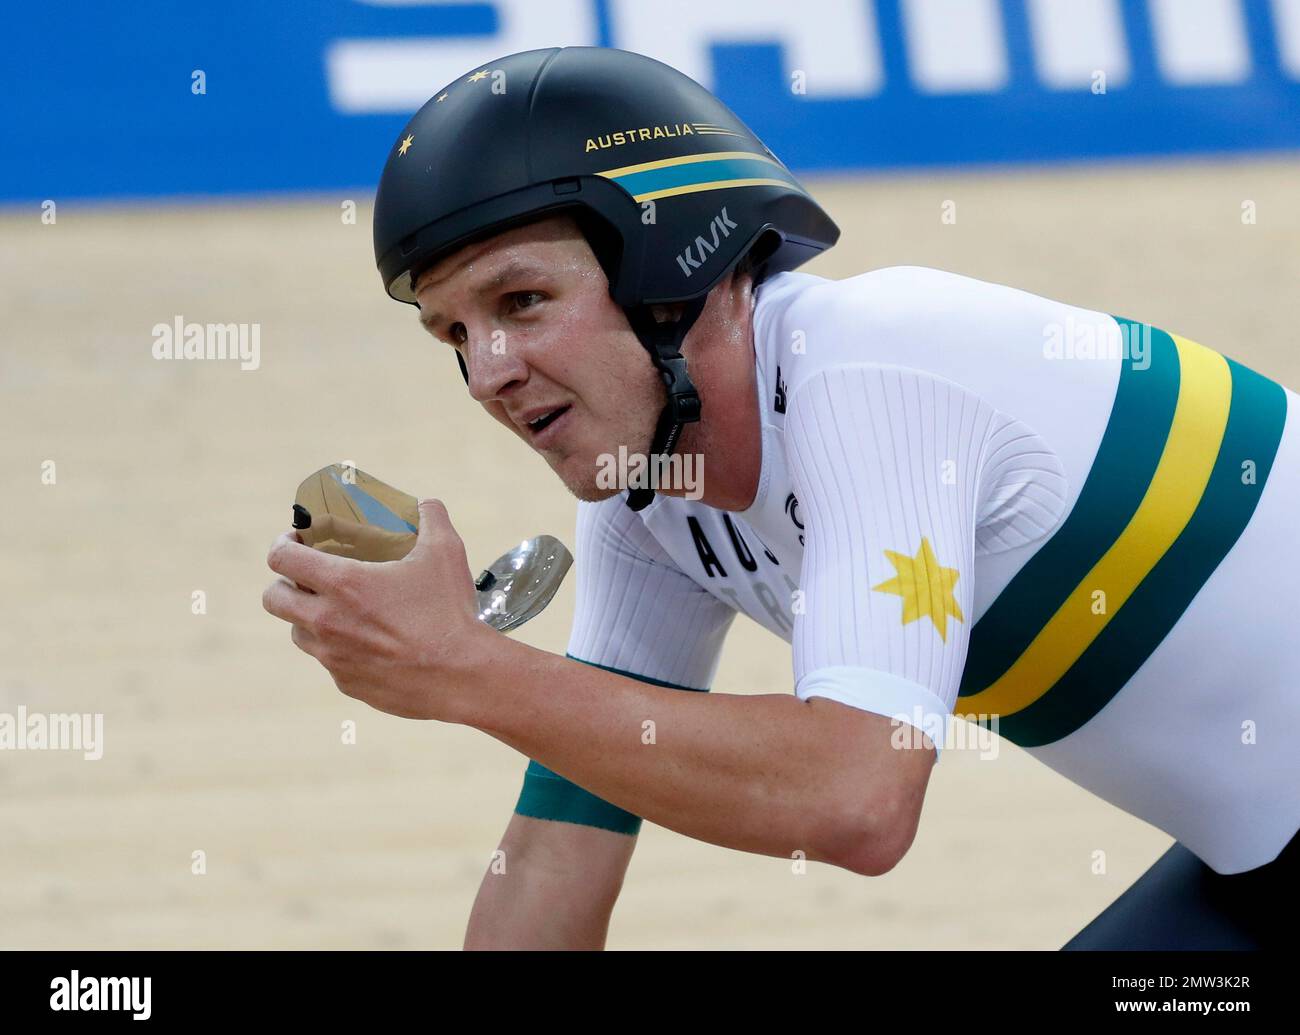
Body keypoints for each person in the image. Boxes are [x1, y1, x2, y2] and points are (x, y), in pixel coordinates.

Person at [262, 46, 1300, 950]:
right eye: (454, 333)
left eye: (521, 302)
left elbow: (854, 798)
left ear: (673, 266)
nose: (487, 371)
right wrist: (476, 677)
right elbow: (554, 855)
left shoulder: (875, 369)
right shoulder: (656, 497)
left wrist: (462, 666)